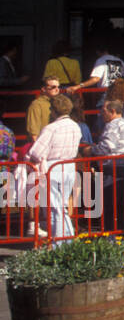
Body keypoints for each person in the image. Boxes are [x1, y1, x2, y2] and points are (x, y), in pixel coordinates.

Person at [27, 94, 81, 239]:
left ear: (55, 110)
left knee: (54, 209)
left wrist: (28, 158)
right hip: (69, 167)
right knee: (61, 207)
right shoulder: (76, 126)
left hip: (52, 168)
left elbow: (36, 152)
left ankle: (60, 242)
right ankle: (66, 239)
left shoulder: (51, 128)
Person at [87, 99, 124, 230]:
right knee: (122, 203)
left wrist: (90, 150)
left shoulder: (112, 125)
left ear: (113, 111)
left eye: (104, 111)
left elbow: (107, 146)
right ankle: (122, 233)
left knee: (108, 203)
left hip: (112, 166)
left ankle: (109, 234)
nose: (101, 114)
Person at [27, 76, 61, 140]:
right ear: (43, 89)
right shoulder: (36, 105)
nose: (57, 90)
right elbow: (34, 133)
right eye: (53, 87)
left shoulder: (59, 103)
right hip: (43, 144)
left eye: (58, 87)